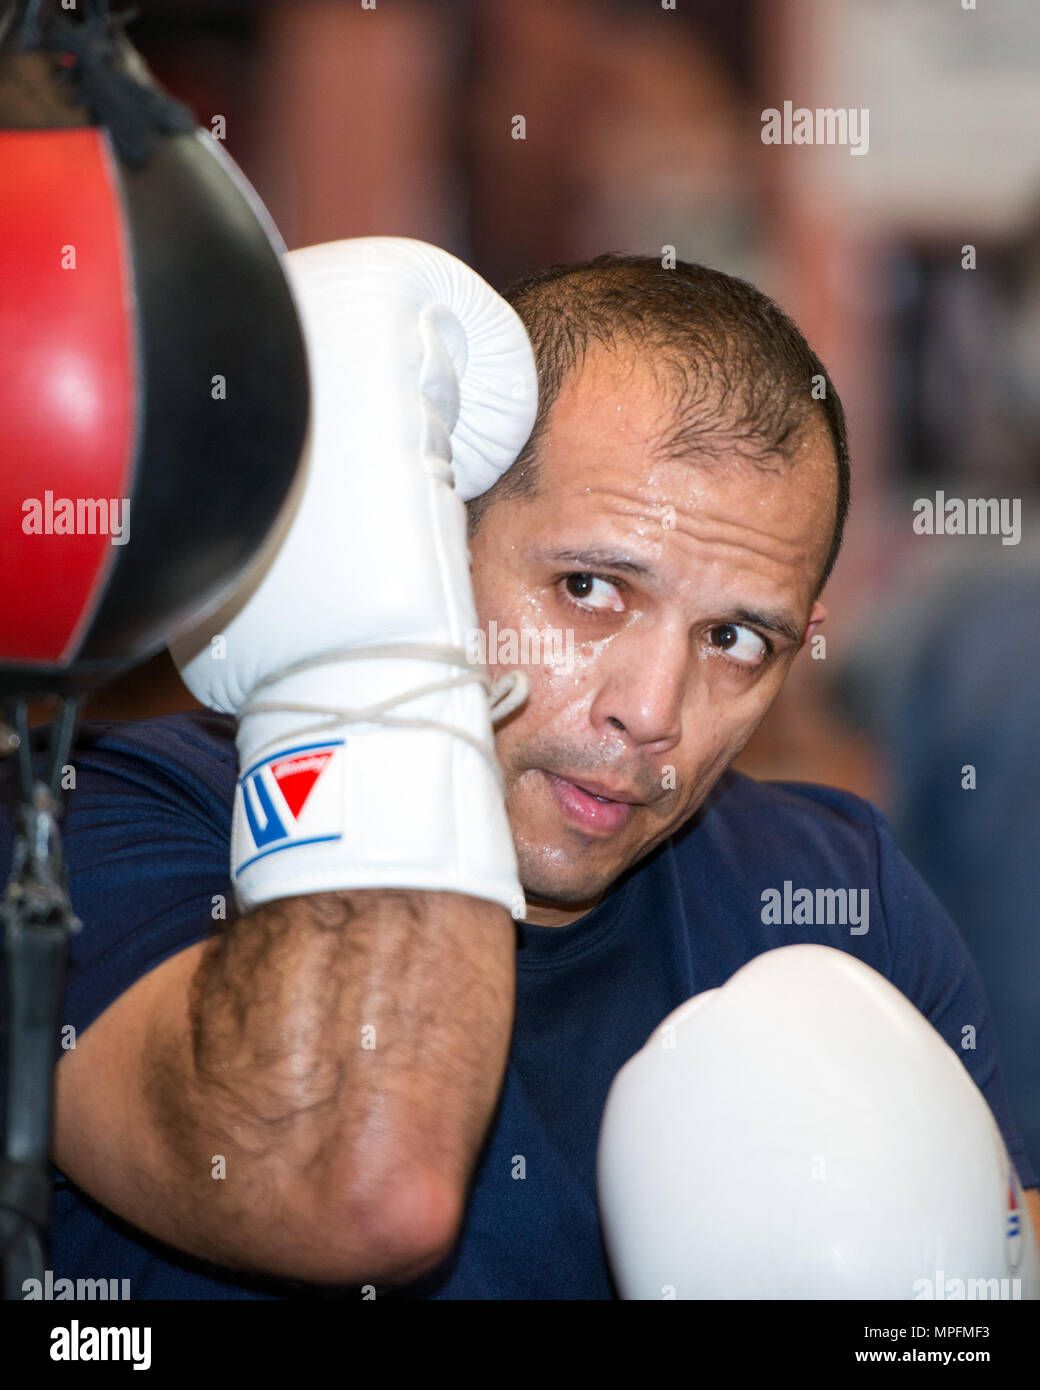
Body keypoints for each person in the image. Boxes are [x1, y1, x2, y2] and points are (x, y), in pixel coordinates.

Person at [2, 245, 1036, 1300]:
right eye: (587, 585)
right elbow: (360, 1191)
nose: (649, 709)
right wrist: (369, 662)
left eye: (732, 638)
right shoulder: (108, 825)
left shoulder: (835, 897)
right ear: (433, 540)